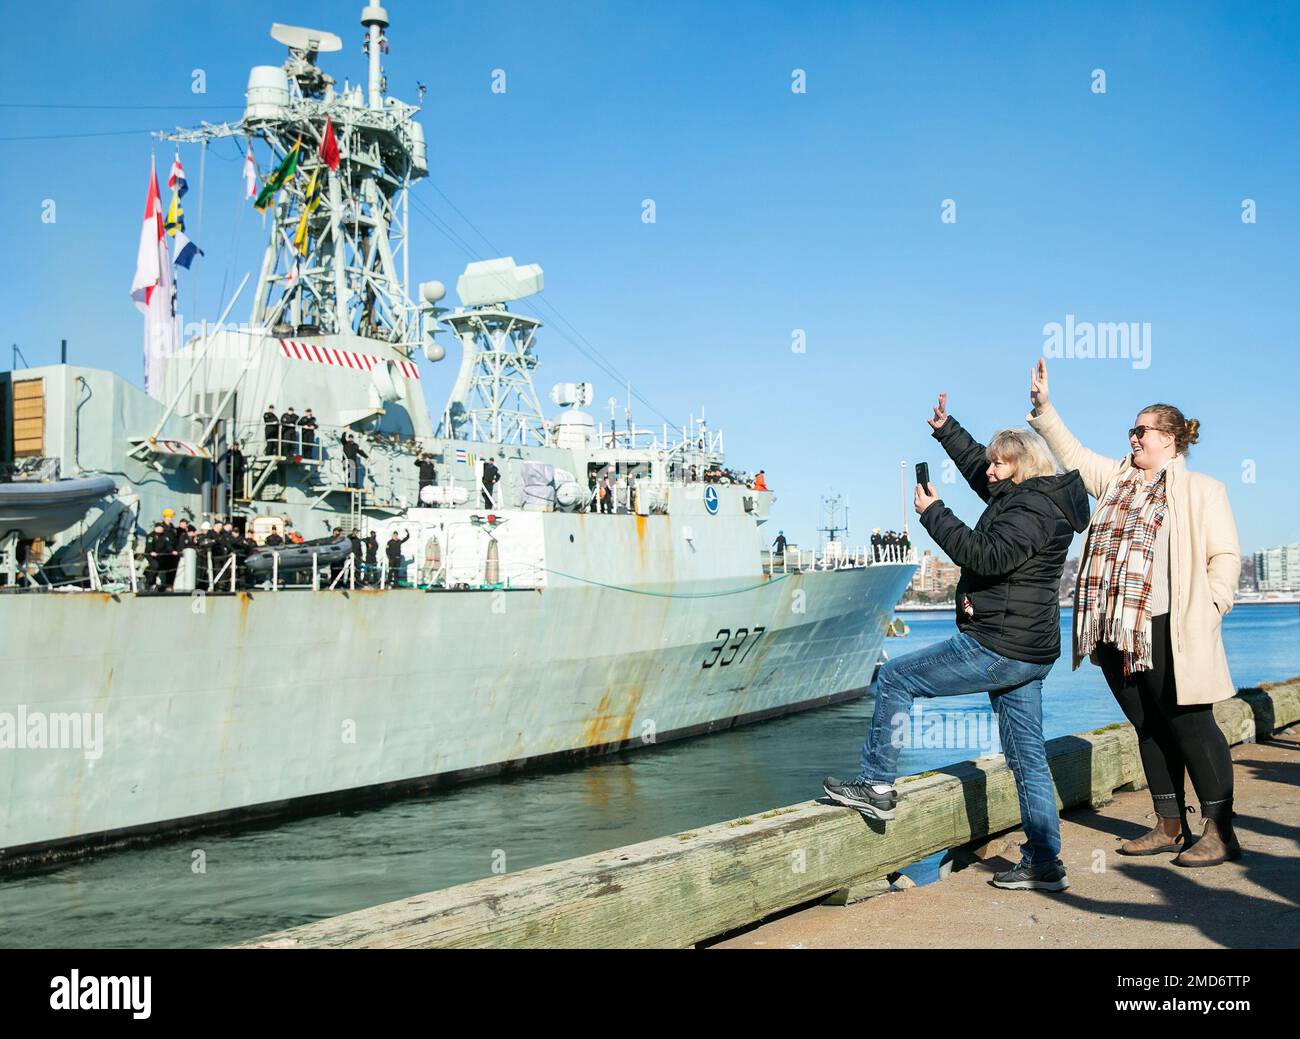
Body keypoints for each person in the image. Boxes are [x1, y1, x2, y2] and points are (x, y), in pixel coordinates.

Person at [823, 390, 1089, 892]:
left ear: (1021, 466)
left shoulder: (1028, 511)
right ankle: (1045, 864)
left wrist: (934, 512)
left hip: (998, 647)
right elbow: (975, 466)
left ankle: (877, 785)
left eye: (998, 465)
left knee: (898, 677)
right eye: (990, 464)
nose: (989, 472)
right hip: (1028, 652)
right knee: (1027, 755)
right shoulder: (1034, 497)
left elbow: (983, 556)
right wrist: (947, 429)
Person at [1028, 358, 1242, 866]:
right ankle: (1170, 825)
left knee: (1191, 723)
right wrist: (1044, 407)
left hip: (1173, 625)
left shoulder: (1201, 490)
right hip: (1117, 628)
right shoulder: (1117, 479)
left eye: (1141, 431)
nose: (1133, 440)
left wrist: (1214, 603)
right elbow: (1074, 454)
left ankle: (1221, 831)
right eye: (1131, 431)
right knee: (1147, 725)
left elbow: (1225, 556)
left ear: (1169, 439)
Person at [143, 521, 169, 591]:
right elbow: (149, 545)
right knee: (155, 566)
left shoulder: (163, 536)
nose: (162, 529)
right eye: (161, 527)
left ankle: (161, 585)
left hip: (160, 556)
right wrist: (151, 552)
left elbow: (165, 546)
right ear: (156, 528)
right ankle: (149, 583)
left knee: (162, 567)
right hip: (150, 555)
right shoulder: (151, 536)